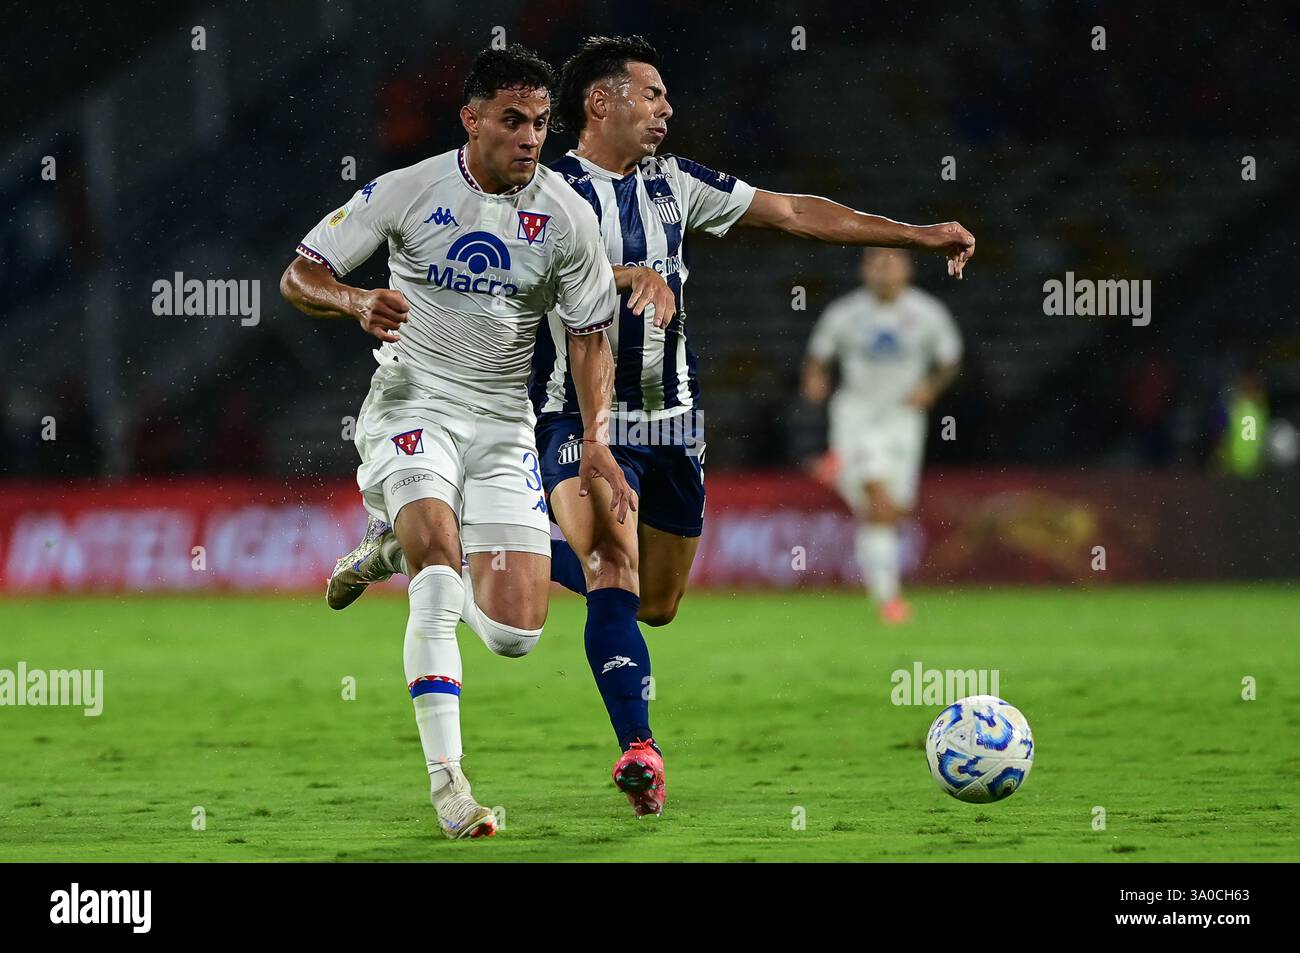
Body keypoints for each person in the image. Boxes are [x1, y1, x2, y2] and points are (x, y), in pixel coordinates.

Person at [530, 35, 975, 816]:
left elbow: (795, 212)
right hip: (578, 416)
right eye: (652, 93)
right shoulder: (542, 191)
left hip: (671, 423)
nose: (668, 107)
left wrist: (915, 233)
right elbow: (510, 286)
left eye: (668, 95)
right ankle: (640, 748)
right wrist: (617, 277)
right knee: (611, 565)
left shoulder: (675, 185)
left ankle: (513, 553)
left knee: (655, 603)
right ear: (601, 102)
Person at [280, 45, 634, 840]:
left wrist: (599, 440)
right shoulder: (410, 189)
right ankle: (451, 787)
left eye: (542, 122)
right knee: (440, 577)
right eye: (512, 120)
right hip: (414, 403)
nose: (530, 137)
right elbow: (299, 273)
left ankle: (384, 551)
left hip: (503, 421)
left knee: (515, 634)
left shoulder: (568, 217)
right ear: (471, 120)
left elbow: (587, 337)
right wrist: (351, 299)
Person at [803, 248, 962, 623]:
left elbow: (950, 359)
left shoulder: (928, 313)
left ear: (908, 270)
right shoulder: (846, 313)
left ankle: (835, 469)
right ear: (864, 270)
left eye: (892, 263)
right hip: (856, 416)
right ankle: (889, 600)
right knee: (878, 502)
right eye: (876, 263)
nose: (884, 271)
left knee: (893, 511)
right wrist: (815, 377)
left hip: (903, 420)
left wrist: (931, 387)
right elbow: (818, 354)